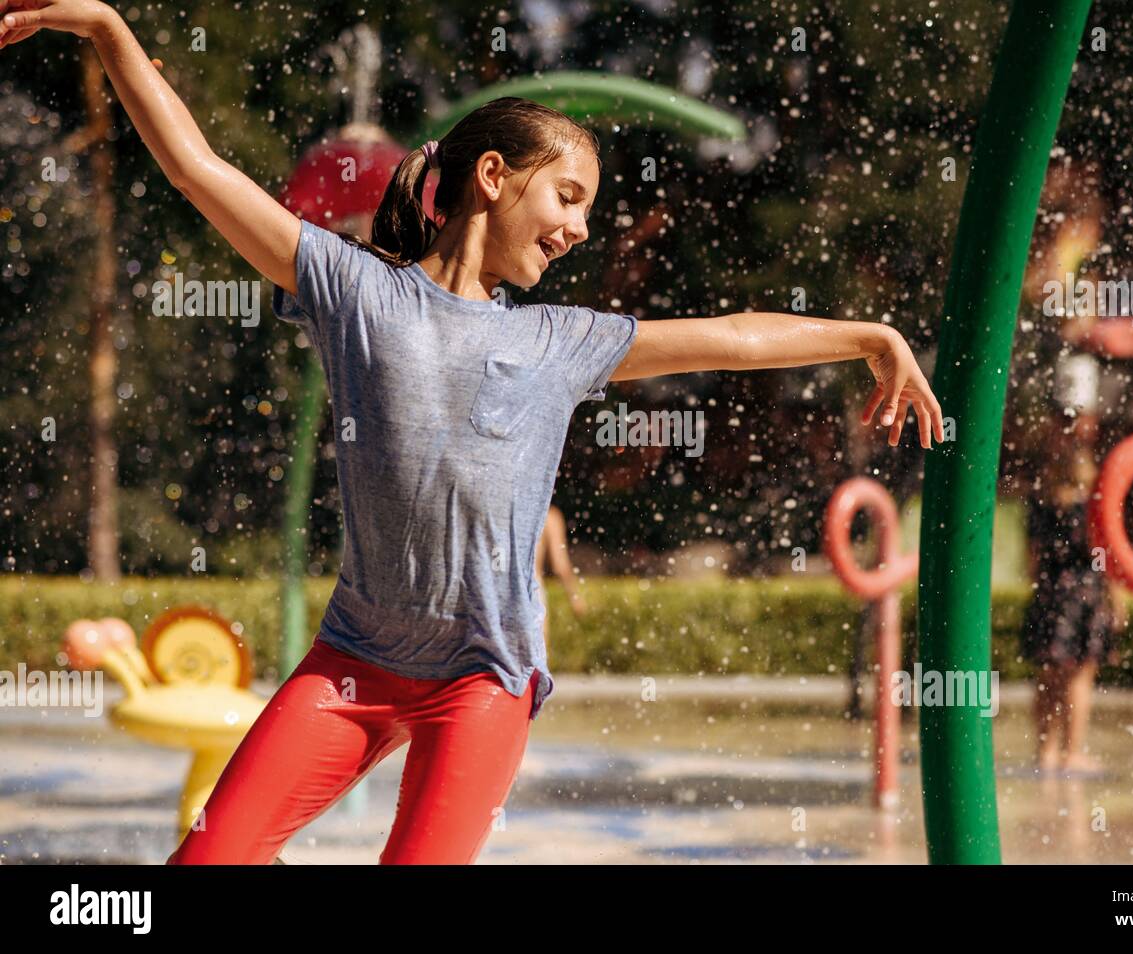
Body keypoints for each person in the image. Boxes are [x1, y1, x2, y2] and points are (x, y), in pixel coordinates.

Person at [1, 0, 943, 864]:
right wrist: (106, 27)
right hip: (354, 662)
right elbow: (195, 170)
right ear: (493, 177)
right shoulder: (353, 290)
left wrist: (871, 335)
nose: (579, 228)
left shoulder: (561, 341)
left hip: (480, 682)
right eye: (567, 196)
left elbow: (732, 336)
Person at [1021, 439, 1127, 776]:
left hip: (1049, 594)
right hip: (1084, 597)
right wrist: (1112, 595)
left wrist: (1046, 588)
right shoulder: (1091, 509)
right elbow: (1102, 556)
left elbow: (1033, 561)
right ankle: (1072, 752)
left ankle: (1044, 749)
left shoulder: (1040, 506)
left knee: (1048, 676)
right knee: (1079, 678)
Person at [534, 504, 588, 647]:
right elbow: (559, 563)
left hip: (501, 585)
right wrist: (574, 596)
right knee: (536, 658)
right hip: (531, 588)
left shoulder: (505, 508)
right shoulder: (548, 515)